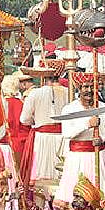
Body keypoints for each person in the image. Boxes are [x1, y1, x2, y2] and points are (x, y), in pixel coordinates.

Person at [54, 73, 105, 207]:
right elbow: (67, 132)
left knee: (103, 194)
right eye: (85, 87)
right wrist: (87, 124)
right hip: (77, 157)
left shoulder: (103, 107)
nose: (89, 91)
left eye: (92, 87)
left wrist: (102, 138)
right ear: (79, 89)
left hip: (98, 154)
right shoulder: (69, 109)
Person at [19, 59, 68, 187]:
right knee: (61, 176)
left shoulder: (35, 93)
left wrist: (37, 120)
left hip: (42, 139)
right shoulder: (69, 92)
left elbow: (24, 119)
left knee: (41, 179)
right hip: (63, 138)